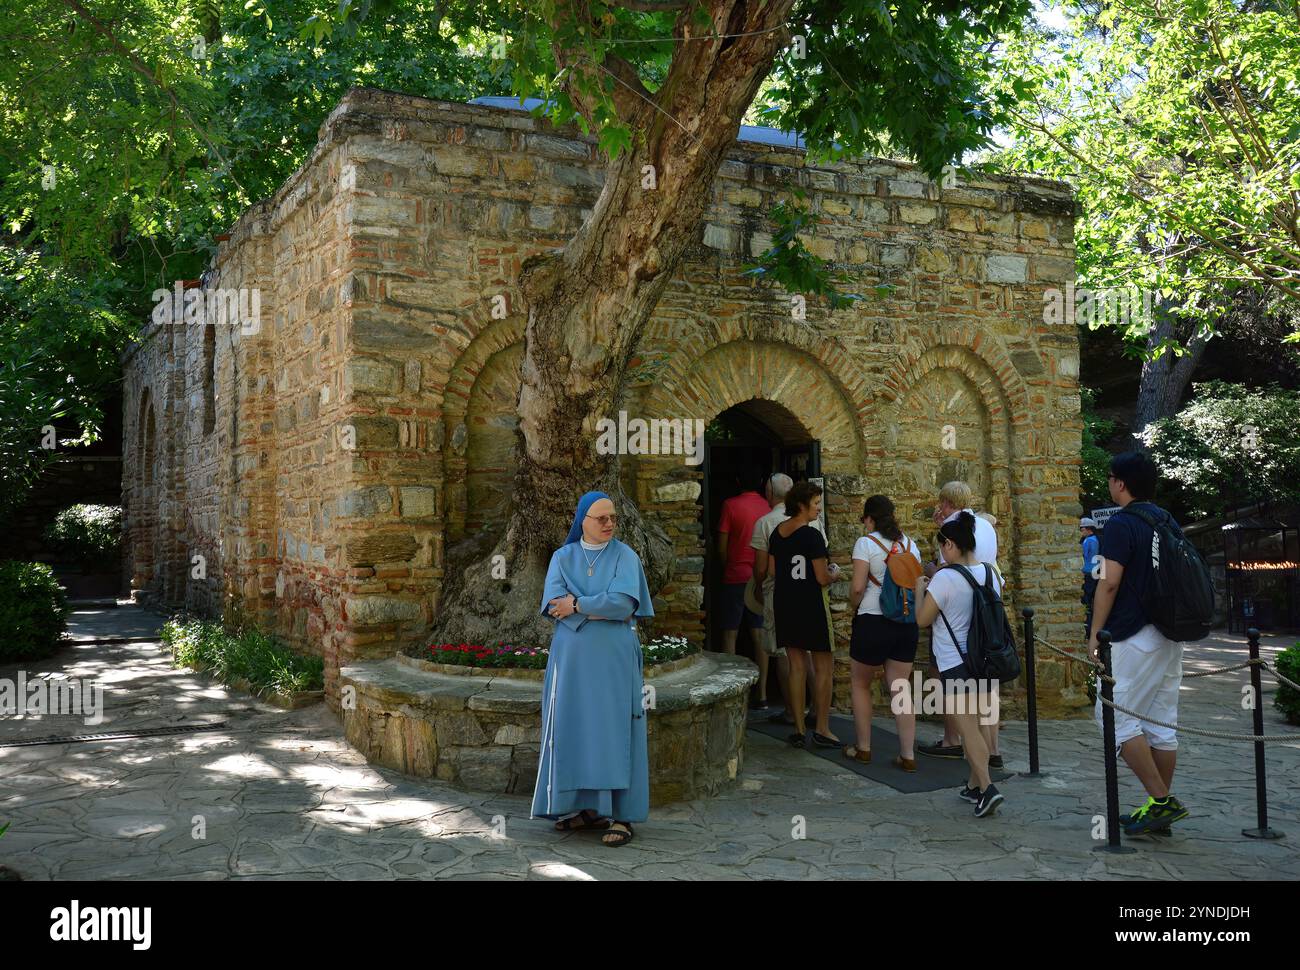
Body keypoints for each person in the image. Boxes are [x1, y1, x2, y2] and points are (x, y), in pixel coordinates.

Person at [532, 491, 654, 848]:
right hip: (570, 661)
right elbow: (554, 605)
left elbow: (622, 605)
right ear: (582, 521)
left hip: (614, 659)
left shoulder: (626, 556)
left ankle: (622, 815)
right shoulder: (562, 556)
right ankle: (586, 809)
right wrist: (586, 612)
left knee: (614, 729)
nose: (609, 523)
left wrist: (579, 605)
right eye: (600, 518)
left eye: (612, 517)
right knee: (577, 727)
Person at [1087, 452, 1189, 835]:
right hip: (1170, 632)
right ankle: (1157, 810)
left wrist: (1095, 634)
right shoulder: (1167, 520)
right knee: (1162, 724)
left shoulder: (1121, 524)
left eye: (1111, 477)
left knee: (1115, 717)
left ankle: (1161, 801)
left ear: (1121, 483)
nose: (1109, 483)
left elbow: (1109, 582)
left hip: (1132, 635)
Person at [914, 511, 1005, 818]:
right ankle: (974, 785)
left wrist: (918, 592)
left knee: (968, 730)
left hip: (955, 663)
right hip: (987, 660)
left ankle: (988, 787)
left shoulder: (945, 579)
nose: (941, 553)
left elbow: (923, 620)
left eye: (942, 546)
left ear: (950, 545)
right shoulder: (992, 574)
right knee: (979, 724)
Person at [845, 495, 923, 770]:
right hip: (905, 623)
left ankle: (864, 748)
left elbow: (857, 587)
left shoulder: (866, 543)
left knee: (860, 684)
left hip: (872, 620)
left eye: (864, 519)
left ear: (870, 518)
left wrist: (853, 607)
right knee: (901, 688)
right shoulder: (911, 545)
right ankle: (907, 755)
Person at [768, 481, 840, 748]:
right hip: (811, 605)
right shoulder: (812, 536)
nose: (819, 509)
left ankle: (798, 729)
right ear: (802, 504)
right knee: (823, 667)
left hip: (786, 604)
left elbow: (773, 572)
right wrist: (834, 575)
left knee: (796, 667)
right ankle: (822, 728)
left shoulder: (777, 533)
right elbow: (821, 577)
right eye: (816, 503)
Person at [751, 472, 819, 723]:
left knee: (783, 652)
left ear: (769, 494)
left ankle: (792, 711)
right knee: (808, 652)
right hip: (808, 593)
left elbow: (761, 568)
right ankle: (816, 710)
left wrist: (758, 588)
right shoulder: (814, 521)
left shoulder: (766, 523)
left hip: (779, 594)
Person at [716, 465, 770, 668]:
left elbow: (722, 547)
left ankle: (729, 683)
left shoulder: (730, 505)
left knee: (730, 633)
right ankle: (763, 694)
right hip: (760, 576)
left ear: (738, 481)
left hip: (735, 575)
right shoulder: (768, 507)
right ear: (762, 482)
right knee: (759, 634)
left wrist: (726, 566)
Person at [1080, 516, 1100, 638]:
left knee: (1086, 601)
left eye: (1082, 529)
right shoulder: (1097, 539)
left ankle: (1087, 627)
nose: (1080, 531)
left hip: (1088, 573)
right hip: (1096, 572)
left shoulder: (1087, 541)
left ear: (1088, 529)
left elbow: (1083, 555)